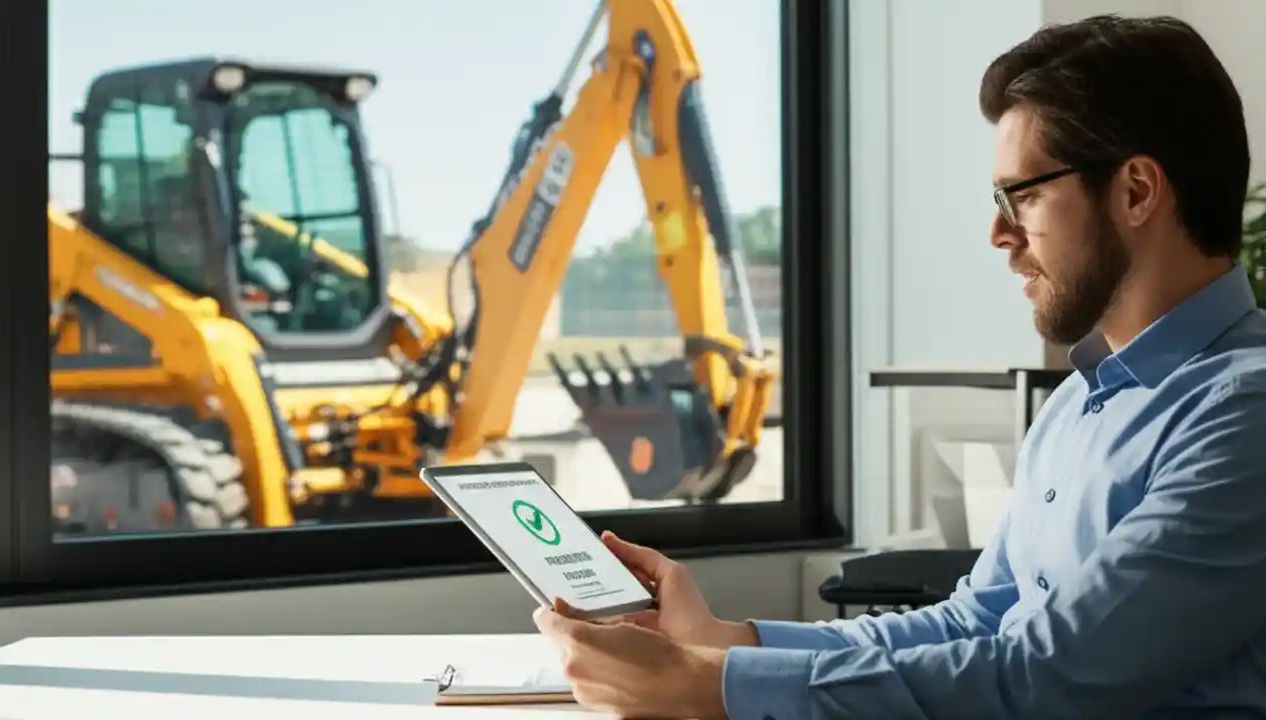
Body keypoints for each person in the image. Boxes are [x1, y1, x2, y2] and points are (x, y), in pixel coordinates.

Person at [533, 13, 1266, 719]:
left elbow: (1047, 676)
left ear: (1136, 191)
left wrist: (709, 685)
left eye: (1025, 194)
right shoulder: (1079, 403)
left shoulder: (1244, 413)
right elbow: (973, 623)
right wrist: (723, 643)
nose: (998, 231)